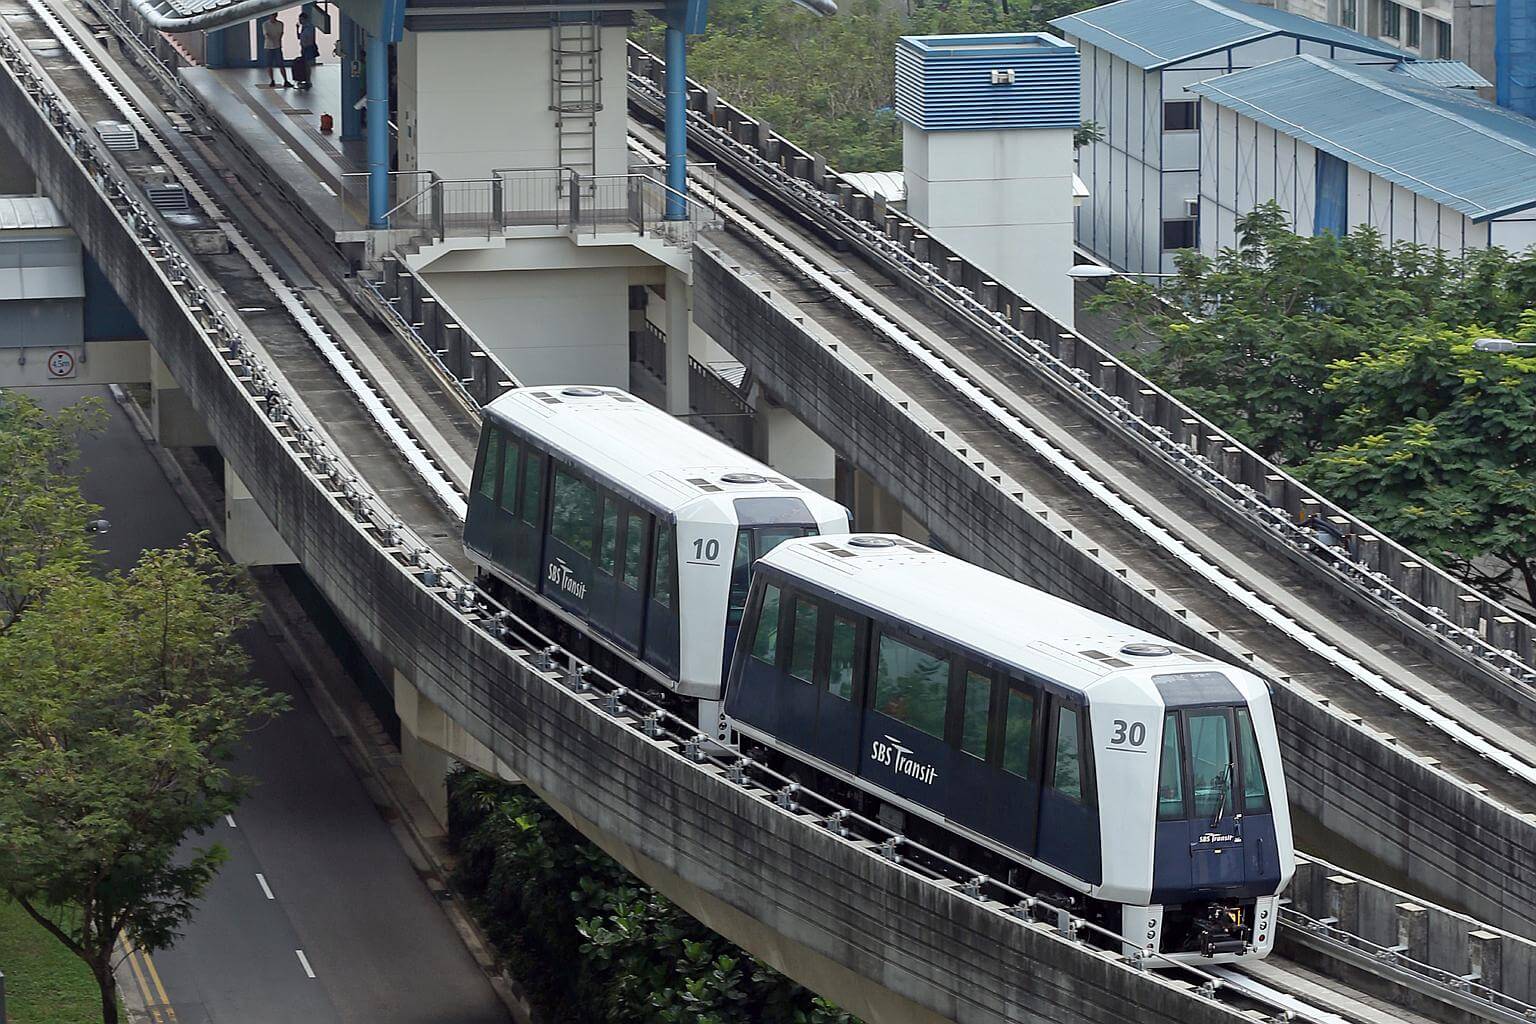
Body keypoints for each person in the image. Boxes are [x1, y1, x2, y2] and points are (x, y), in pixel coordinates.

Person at [262, 14, 290, 88]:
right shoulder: (265, 24)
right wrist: (272, 40)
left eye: (274, 16)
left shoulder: (280, 24)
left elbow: (281, 33)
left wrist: (277, 40)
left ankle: (285, 81)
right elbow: (266, 34)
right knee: (269, 65)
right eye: (271, 16)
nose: (272, 17)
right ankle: (272, 80)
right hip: (268, 47)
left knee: (281, 64)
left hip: (277, 46)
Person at [294, 12, 317, 91]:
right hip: (304, 48)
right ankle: (305, 80)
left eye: (301, 19)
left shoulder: (309, 27)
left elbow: (310, 39)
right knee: (305, 64)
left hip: (308, 48)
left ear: (305, 19)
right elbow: (299, 37)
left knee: (307, 65)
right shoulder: (303, 27)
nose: (300, 21)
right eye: (299, 19)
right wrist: (297, 29)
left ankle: (308, 80)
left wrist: (306, 45)